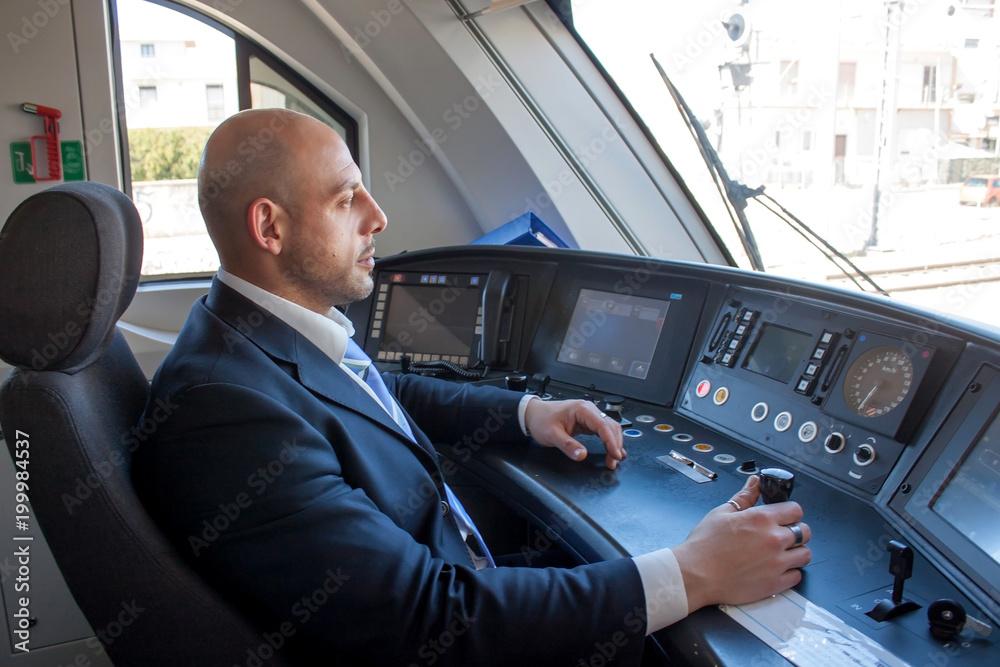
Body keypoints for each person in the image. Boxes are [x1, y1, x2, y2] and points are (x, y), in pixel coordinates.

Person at [132, 108, 811, 666]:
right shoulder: (221, 411)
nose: (377, 216)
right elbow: (431, 621)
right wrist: (696, 571)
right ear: (270, 227)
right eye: (346, 199)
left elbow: (376, 395)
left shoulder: (252, 335)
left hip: (461, 583)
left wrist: (525, 412)